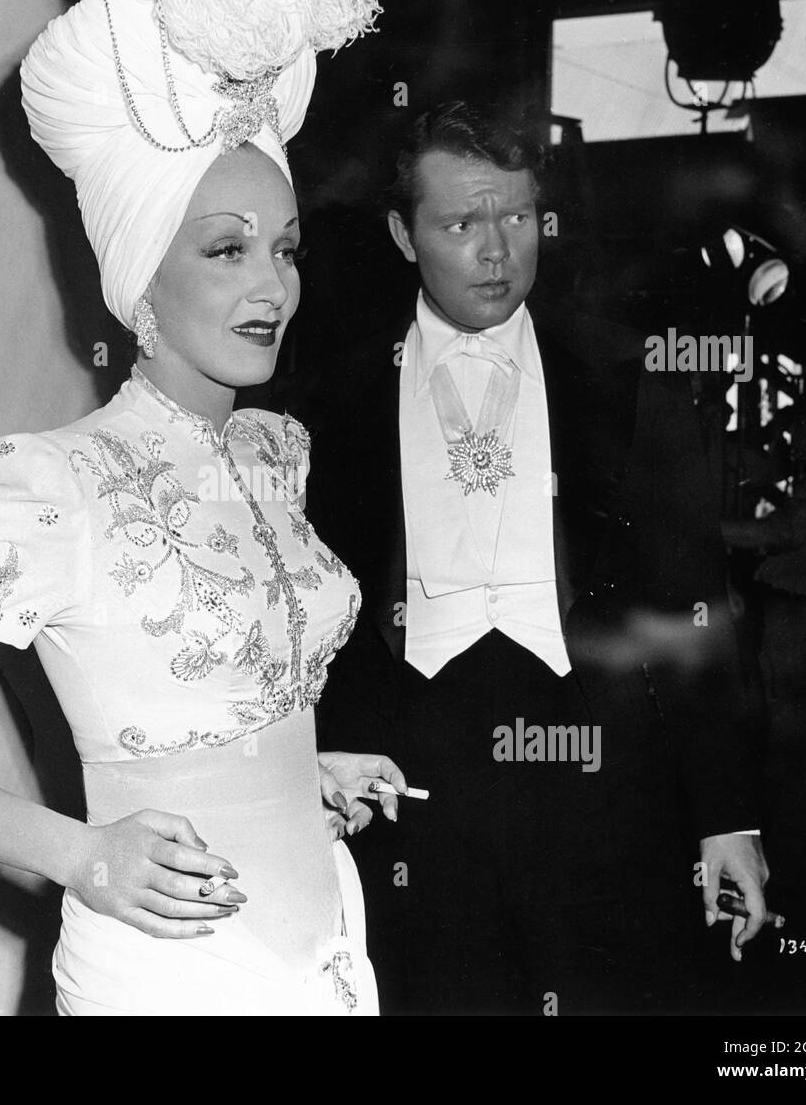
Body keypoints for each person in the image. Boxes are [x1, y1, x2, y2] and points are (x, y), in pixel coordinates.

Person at [0, 0, 404, 1016]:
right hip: (167, 976)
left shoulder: (273, 454)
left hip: (328, 951)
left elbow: (197, 698)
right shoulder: (55, 485)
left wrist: (290, 772)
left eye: (284, 249)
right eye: (226, 250)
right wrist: (79, 855)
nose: (272, 285)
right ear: (140, 274)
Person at [303, 101, 772, 1015]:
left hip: (602, 779)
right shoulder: (327, 402)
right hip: (410, 793)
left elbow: (695, 603)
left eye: (515, 218)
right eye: (459, 223)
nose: (494, 251)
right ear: (403, 234)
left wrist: (728, 814)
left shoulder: (628, 378)